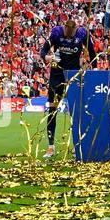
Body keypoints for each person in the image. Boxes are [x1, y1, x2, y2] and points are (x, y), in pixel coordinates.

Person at [40, 12, 94, 159]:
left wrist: (93, 70)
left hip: (74, 75)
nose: (69, 38)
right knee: (52, 109)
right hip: (57, 74)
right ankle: (51, 147)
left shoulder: (82, 34)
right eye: (67, 36)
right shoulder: (56, 33)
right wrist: (48, 57)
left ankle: (78, 146)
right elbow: (43, 51)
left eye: (72, 37)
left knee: (76, 111)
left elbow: (93, 53)